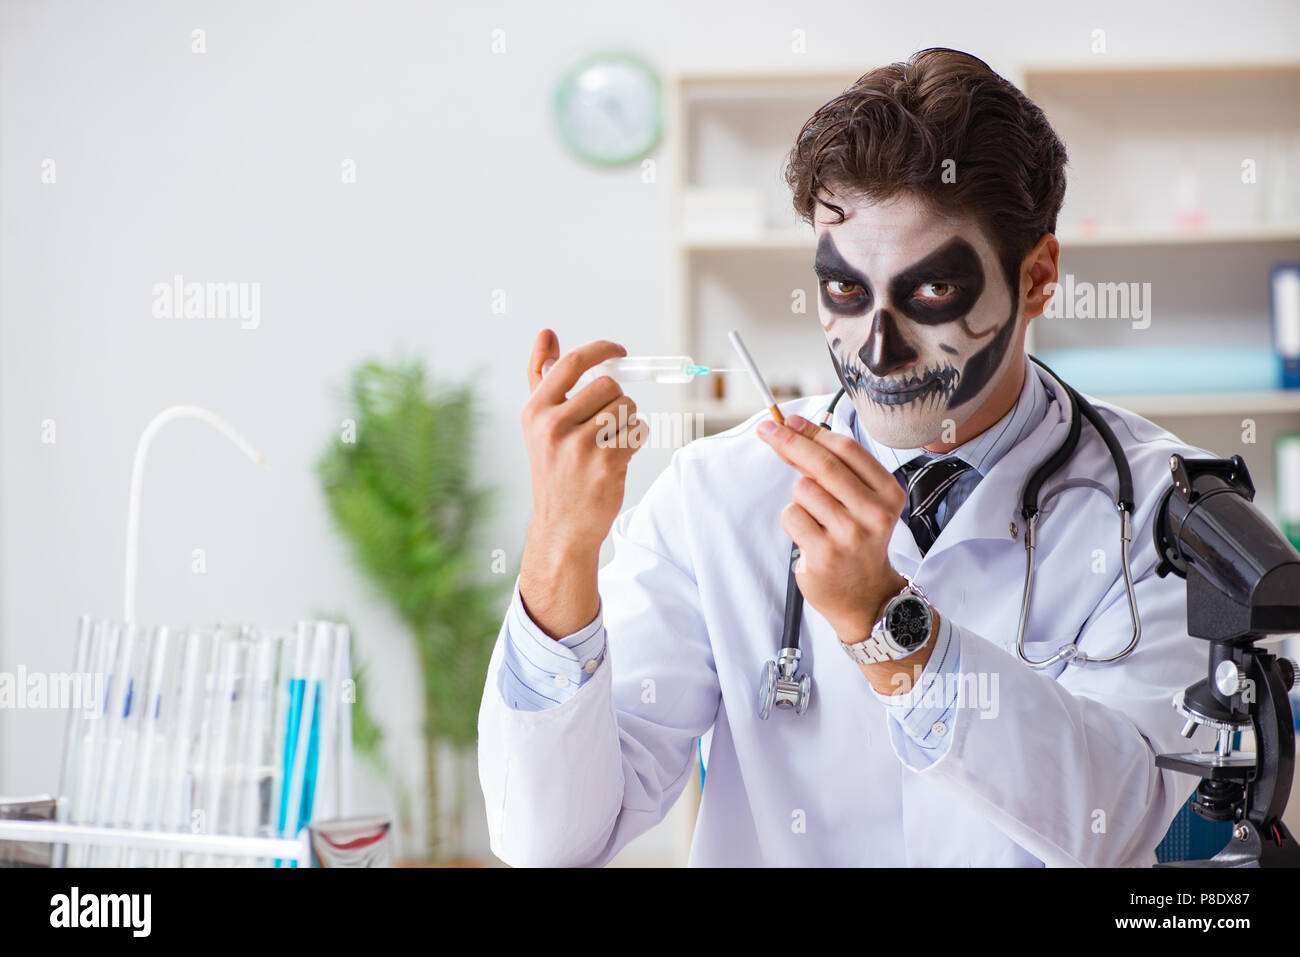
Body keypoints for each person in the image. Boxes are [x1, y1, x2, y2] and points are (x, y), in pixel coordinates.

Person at [477, 47, 1215, 866]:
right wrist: (558, 549)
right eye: (846, 291)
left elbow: (1158, 832)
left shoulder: (1167, 511)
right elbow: (549, 841)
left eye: (932, 291)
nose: (877, 350)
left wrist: (890, 629)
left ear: (1038, 277)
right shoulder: (716, 495)